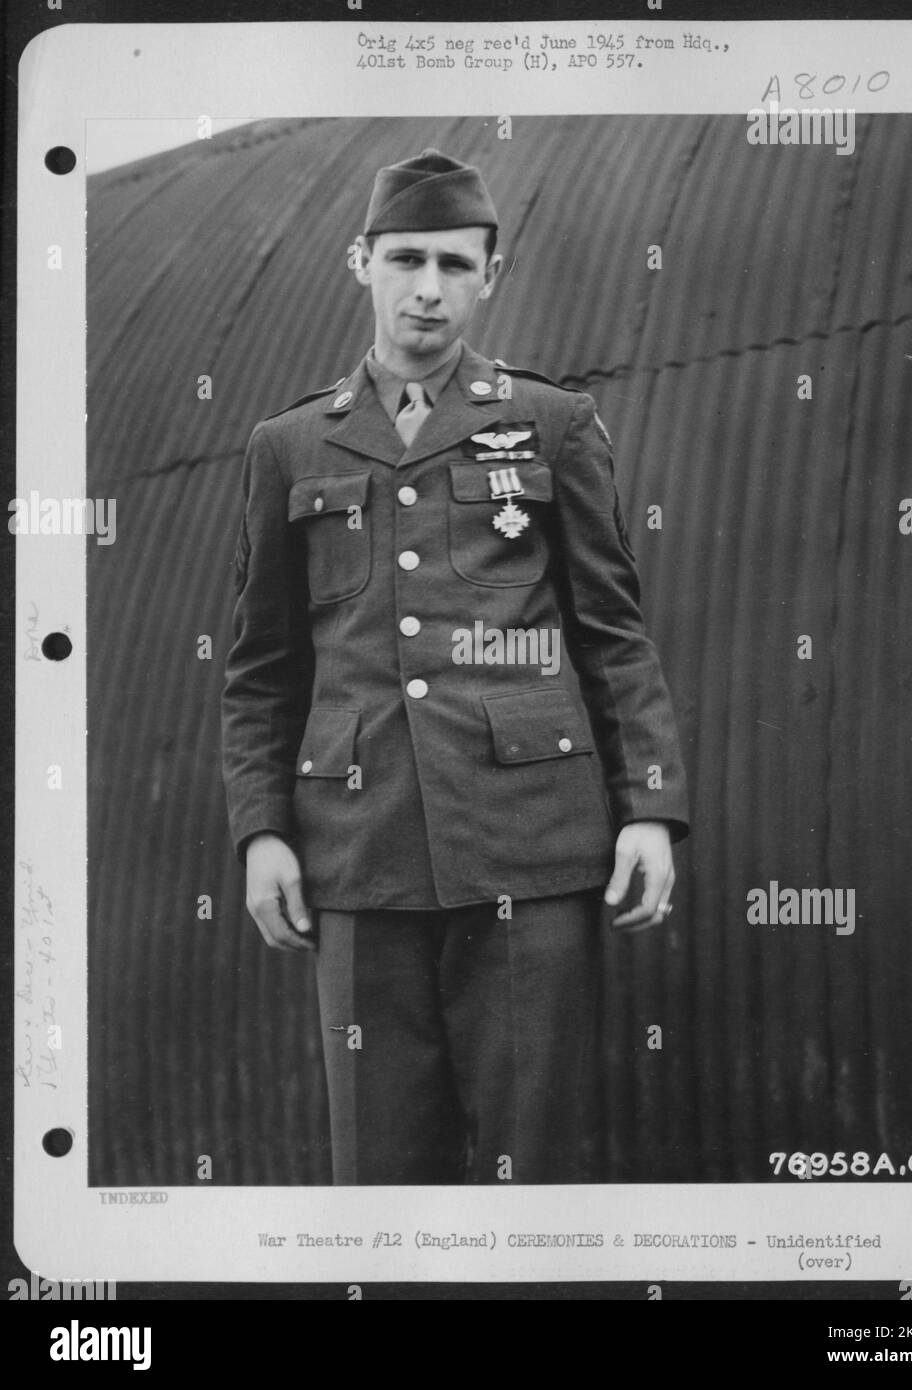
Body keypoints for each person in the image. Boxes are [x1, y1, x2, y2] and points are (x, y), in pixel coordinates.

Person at [221, 148, 689, 1185]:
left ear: (492, 273)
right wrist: (262, 832)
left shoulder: (554, 425)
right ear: (361, 262)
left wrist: (649, 805)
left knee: (536, 1168)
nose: (427, 288)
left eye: (454, 264)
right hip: (360, 851)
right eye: (404, 259)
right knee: (380, 1183)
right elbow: (261, 669)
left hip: (529, 847)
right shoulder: (290, 445)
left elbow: (611, 633)